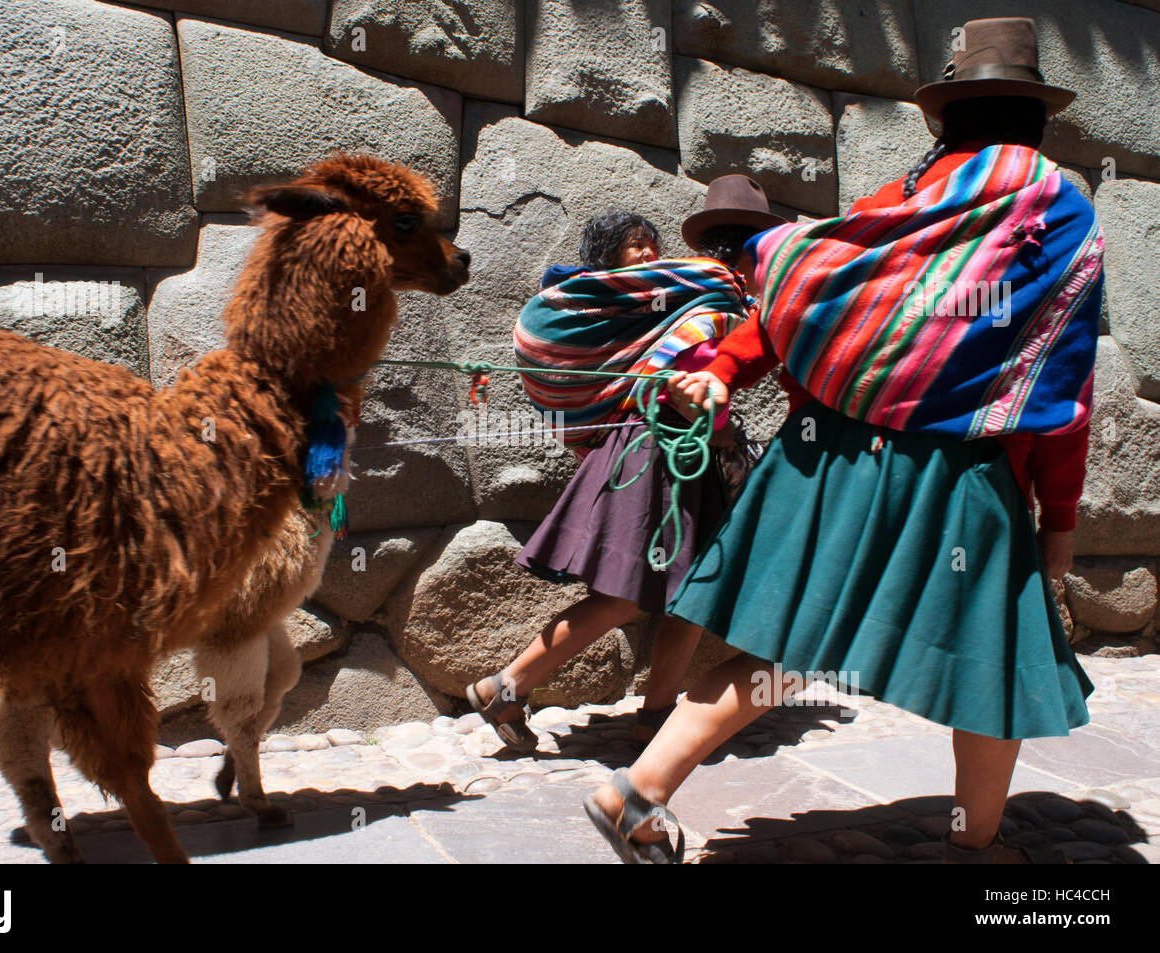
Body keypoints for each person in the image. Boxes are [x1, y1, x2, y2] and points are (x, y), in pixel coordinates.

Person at [584, 17, 1103, 863]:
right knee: (996, 667)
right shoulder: (1058, 208)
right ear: (1036, 115)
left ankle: (633, 787)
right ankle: (977, 846)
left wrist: (722, 365)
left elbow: (806, 290)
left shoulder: (894, 204)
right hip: (958, 479)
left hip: (825, 461)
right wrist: (1060, 522)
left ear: (948, 116)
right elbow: (1058, 388)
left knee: (781, 656)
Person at [466, 184, 786, 750]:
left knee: (692, 593)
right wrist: (729, 437)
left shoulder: (678, 295)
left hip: (674, 458)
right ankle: (508, 686)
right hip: (660, 455)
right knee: (627, 595)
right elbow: (684, 390)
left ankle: (656, 718)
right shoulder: (712, 302)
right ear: (749, 251)